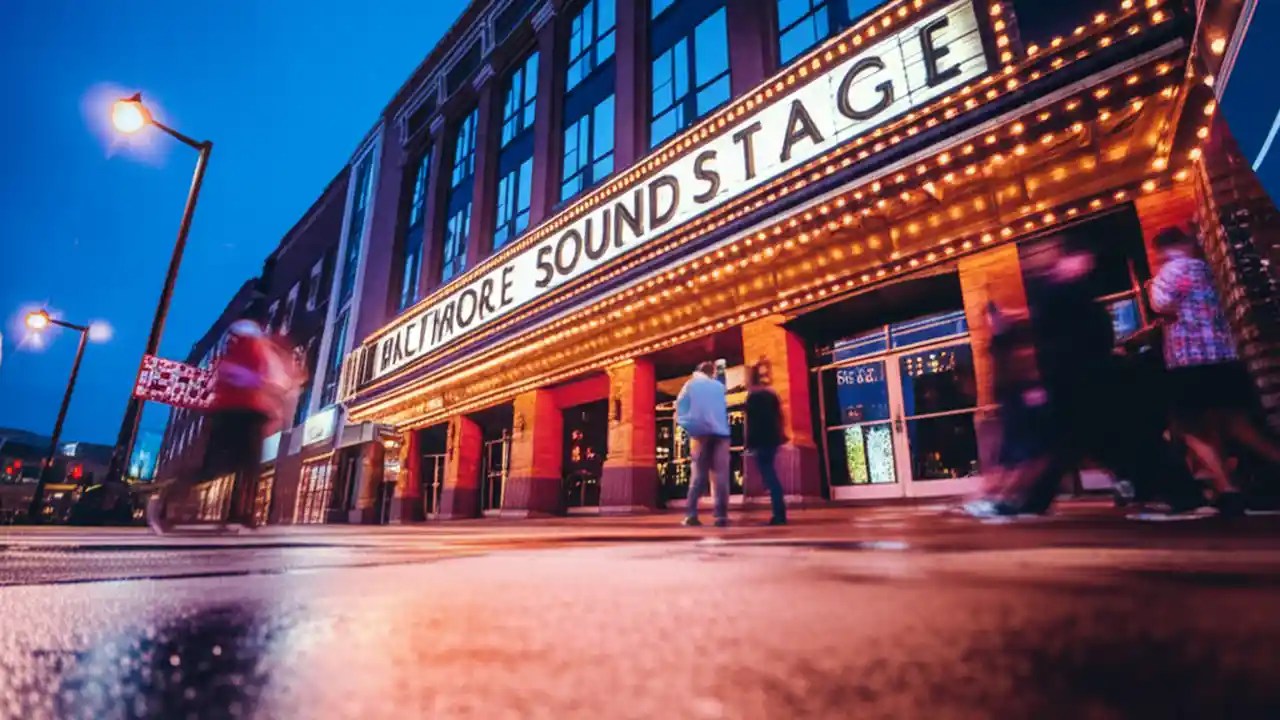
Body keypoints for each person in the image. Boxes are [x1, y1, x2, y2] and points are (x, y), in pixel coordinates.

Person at [977, 236, 1207, 519]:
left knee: (1101, 442)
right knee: (1088, 443)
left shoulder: (1063, 292)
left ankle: (1179, 492)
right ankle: (1176, 492)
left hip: (1082, 380)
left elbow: (1074, 334)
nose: (1033, 262)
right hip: (1080, 380)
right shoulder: (1060, 292)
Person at [1148, 226, 1280, 513]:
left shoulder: (1170, 272)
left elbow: (1160, 305)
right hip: (1225, 354)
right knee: (1238, 423)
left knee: (1188, 426)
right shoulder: (1210, 270)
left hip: (1189, 360)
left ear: (1161, 250)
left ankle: (1227, 487)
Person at [148, 309, 302, 534]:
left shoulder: (241, 349)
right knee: (232, 467)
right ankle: (170, 502)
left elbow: (251, 378)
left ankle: (241, 515)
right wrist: (274, 395)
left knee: (242, 467)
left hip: (239, 413)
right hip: (238, 413)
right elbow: (260, 379)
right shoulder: (253, 349)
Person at [676, 360, 732, 527]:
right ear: (712, 372)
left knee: (698, 476)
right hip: (721, 434)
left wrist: (689, 426)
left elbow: (680, 407)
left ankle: (691, 514)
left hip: (700, 434)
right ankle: (721, 515)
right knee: (721, 476)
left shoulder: (690, 385)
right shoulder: (718, 387)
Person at [745, 360, 787, 525]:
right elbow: (781, 417)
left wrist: (748, 443)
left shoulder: (752, 397)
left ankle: (779, 514)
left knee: (770, 476)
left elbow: (751, 423)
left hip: (761, 440)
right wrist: (781, 434)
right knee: (770, 476)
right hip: (773, 439)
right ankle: (779, 512)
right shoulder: (772, 394)